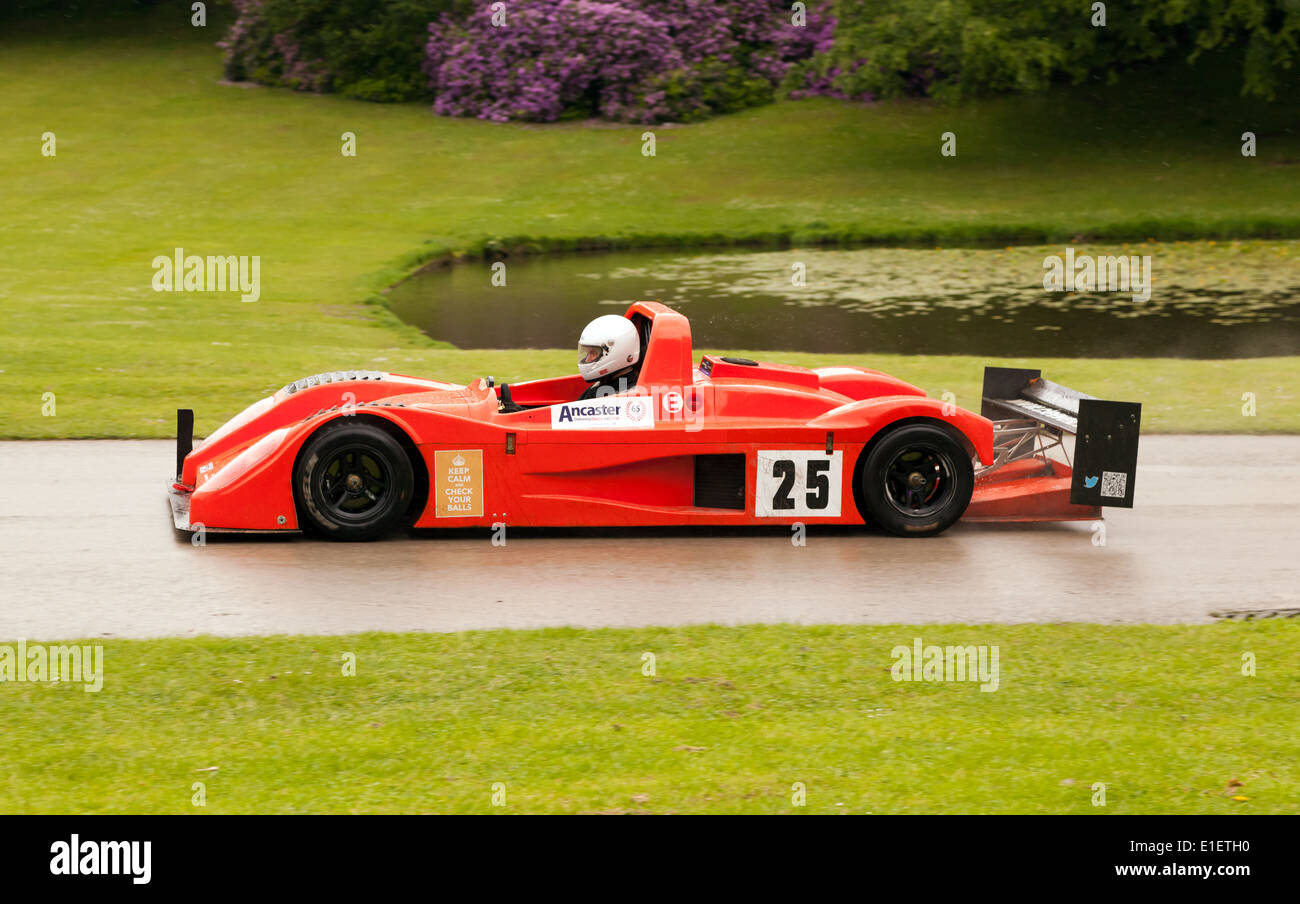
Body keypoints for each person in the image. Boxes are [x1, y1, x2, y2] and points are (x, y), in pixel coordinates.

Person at [577, 314, 641, 400]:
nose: (588, 359)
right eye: (588, 353)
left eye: (593, 353)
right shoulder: (606, 383)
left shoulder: (618, 397)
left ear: (617, 351)